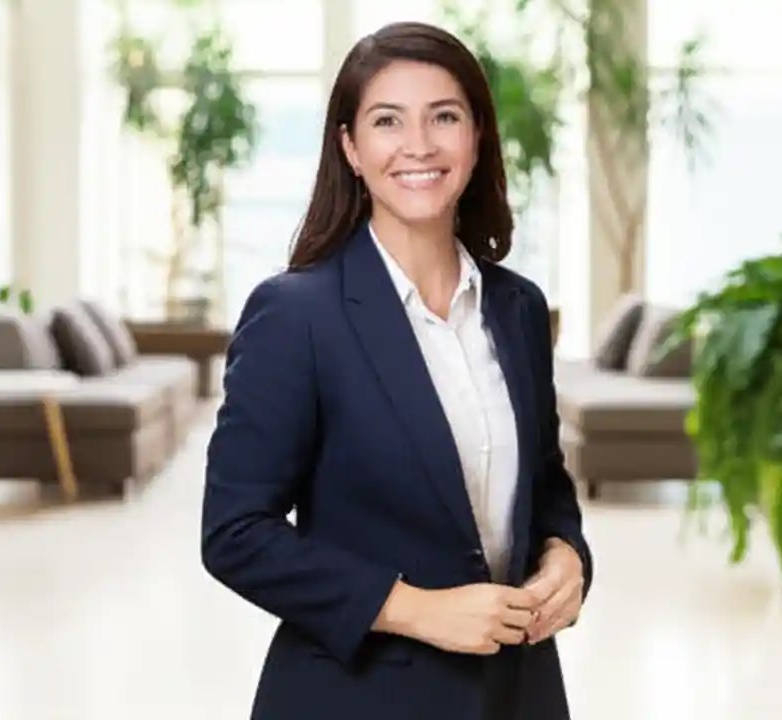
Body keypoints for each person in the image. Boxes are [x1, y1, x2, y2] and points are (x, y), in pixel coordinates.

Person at [201, 20, 594, 720]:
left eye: (444, 117)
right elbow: (235, 533)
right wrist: (415, 609)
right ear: (351, 148)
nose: (419, 145)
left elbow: (543, 481)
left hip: (519, 693)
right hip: (359, 696)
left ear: (477, 136)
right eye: (387, 121)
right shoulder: (297, 315)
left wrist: (566, 553)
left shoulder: (518, 308)